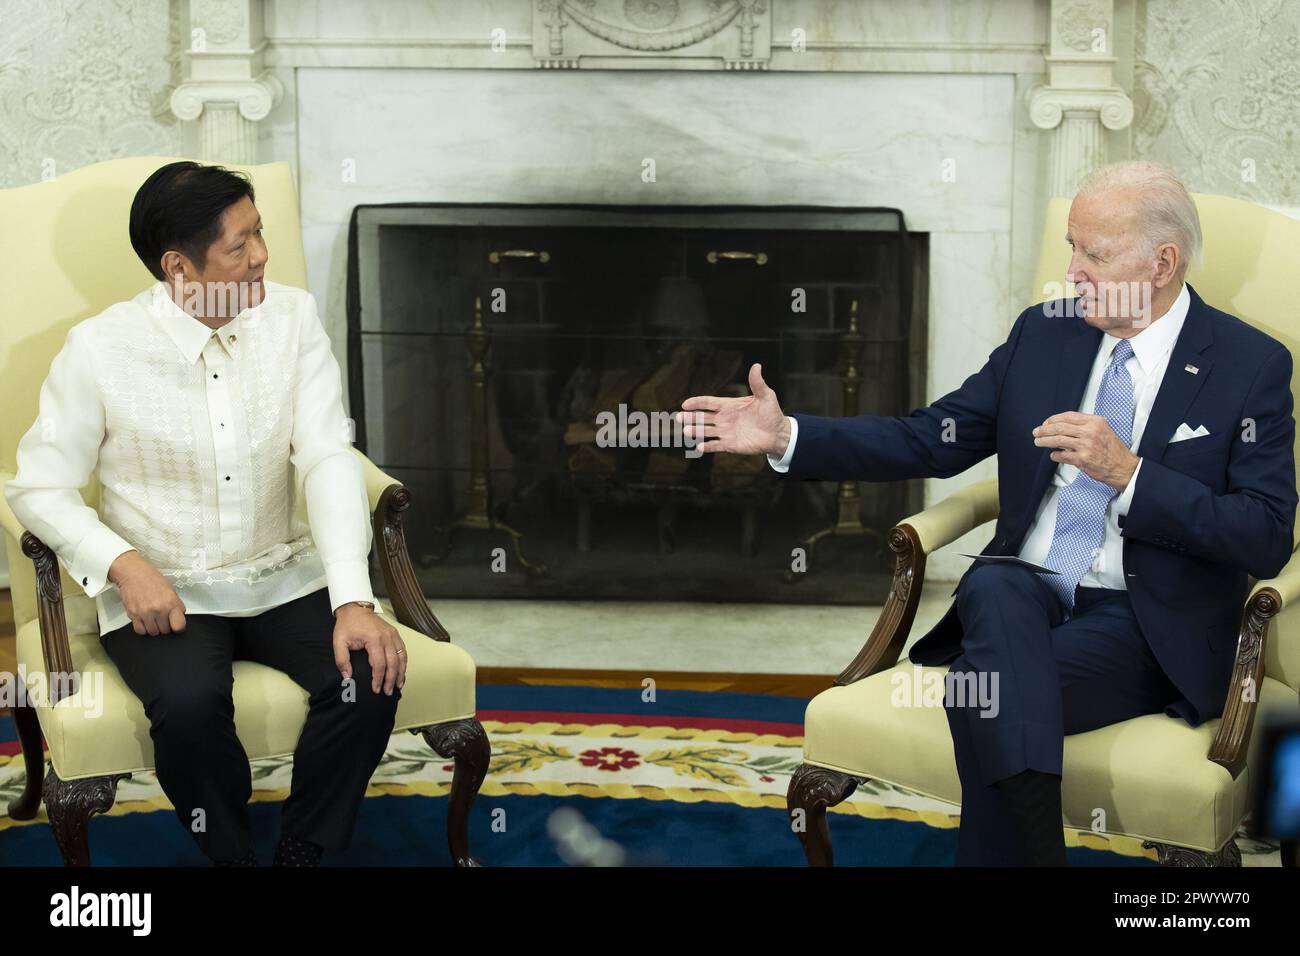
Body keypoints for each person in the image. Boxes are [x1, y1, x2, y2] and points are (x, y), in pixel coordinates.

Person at [678, 160, 1298, 865]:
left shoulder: (1248, 365)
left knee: (988, 697)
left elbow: (1264, 533)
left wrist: (1129, 475)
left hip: (1145, 623)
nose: (1071, 271)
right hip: (1023, 599)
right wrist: (787, 435)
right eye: (1070, 246)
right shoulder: (1047, 334)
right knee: (997, 582)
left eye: (1093, 253)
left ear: (1161, 262)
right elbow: (930, 437)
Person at [6, 161, 408, 866]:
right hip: (165, 585)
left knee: (368, 675)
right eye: (240, 243)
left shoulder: (292, 318)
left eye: (261, 232)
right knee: (189, 709)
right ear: (179, 266)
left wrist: (353, 597)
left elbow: (325, 455)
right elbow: (37, 489)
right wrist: (122, 565)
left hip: (281, 571)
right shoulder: (99, 351)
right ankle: (230, 855)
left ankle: (302, 848)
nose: (262, 254)